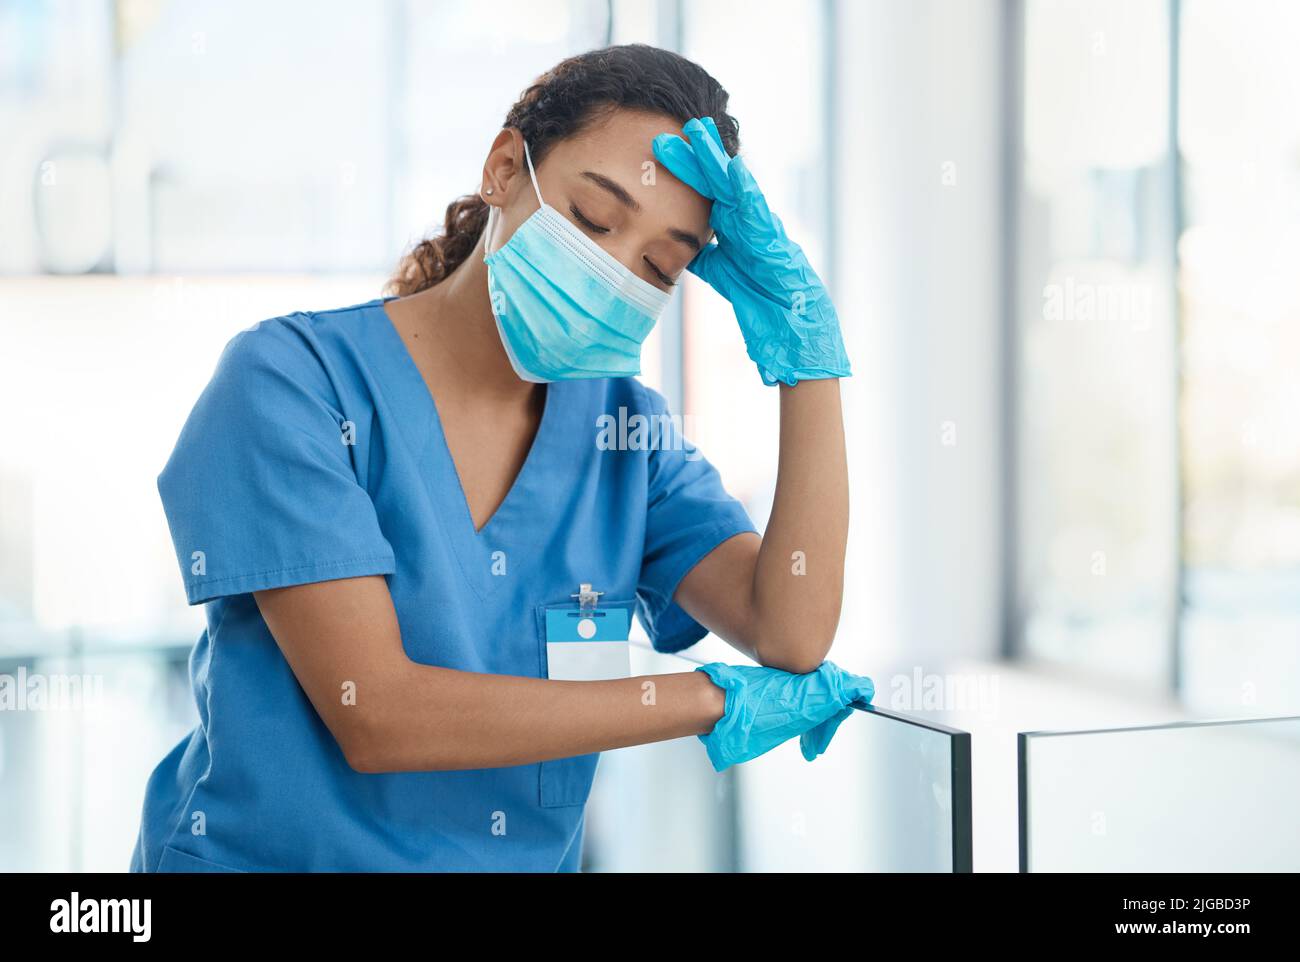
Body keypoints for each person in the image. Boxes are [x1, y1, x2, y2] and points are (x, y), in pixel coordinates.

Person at [130, 43, 872, 873]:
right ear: (504, 169)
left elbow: (793, 631)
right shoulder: (293, 383)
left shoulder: (626, 438)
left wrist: (808, 358)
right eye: (595, 219)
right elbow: (378, 713)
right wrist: (705, 700)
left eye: (661, 265)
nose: (616, 270)